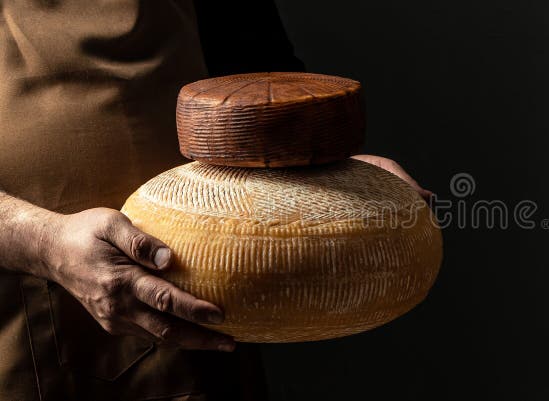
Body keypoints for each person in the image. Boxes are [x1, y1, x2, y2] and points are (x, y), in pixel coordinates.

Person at [0, 1, 430, 400]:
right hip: (22, 323)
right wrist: (44, 243)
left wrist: (328, 163)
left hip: (198, 300)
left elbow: (260, 76)